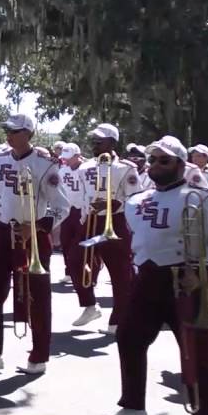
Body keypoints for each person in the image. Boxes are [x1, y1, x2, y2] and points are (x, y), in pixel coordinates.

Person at [100, 137, 208, 415]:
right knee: (129, 336)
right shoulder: (137, 201)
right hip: (147, 279)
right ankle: (133, 408)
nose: (155, 165)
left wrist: (203, 275)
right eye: (152, 159)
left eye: (164, 160)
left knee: (197, 350)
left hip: (186, 280)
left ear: (181, 165)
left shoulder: (204, 198)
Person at [0, 114, 70, 375]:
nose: (8, 135)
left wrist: (36, 227)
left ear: (28, 133)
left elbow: (62, 207)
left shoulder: (45, 164)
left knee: (37, 297)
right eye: (7, 130)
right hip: (4, 231)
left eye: (14, 131)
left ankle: (38, 357)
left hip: (32, 235)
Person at [75, 124, 145, 333]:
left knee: (120, 274)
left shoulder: (125, 168)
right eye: (94, 139)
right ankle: (89, 305)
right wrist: (84, 216)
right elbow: (83, 197)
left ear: (113, 142)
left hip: (116, 221)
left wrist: (116, 204)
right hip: (91, 222)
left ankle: (118, 321)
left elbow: (136, 198)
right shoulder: (84, 167)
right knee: (75, 260)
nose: (95, 142)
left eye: (101, 139)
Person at [58, 144, 97, 306]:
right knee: (65, 242)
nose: (66, 160)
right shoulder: (62, 170)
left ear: (78, 156)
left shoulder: (87, 170)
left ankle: (91, 276)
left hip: (83, 211)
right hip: (68, 210)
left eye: (69, 157)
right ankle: (69, 271)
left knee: (85, 246)